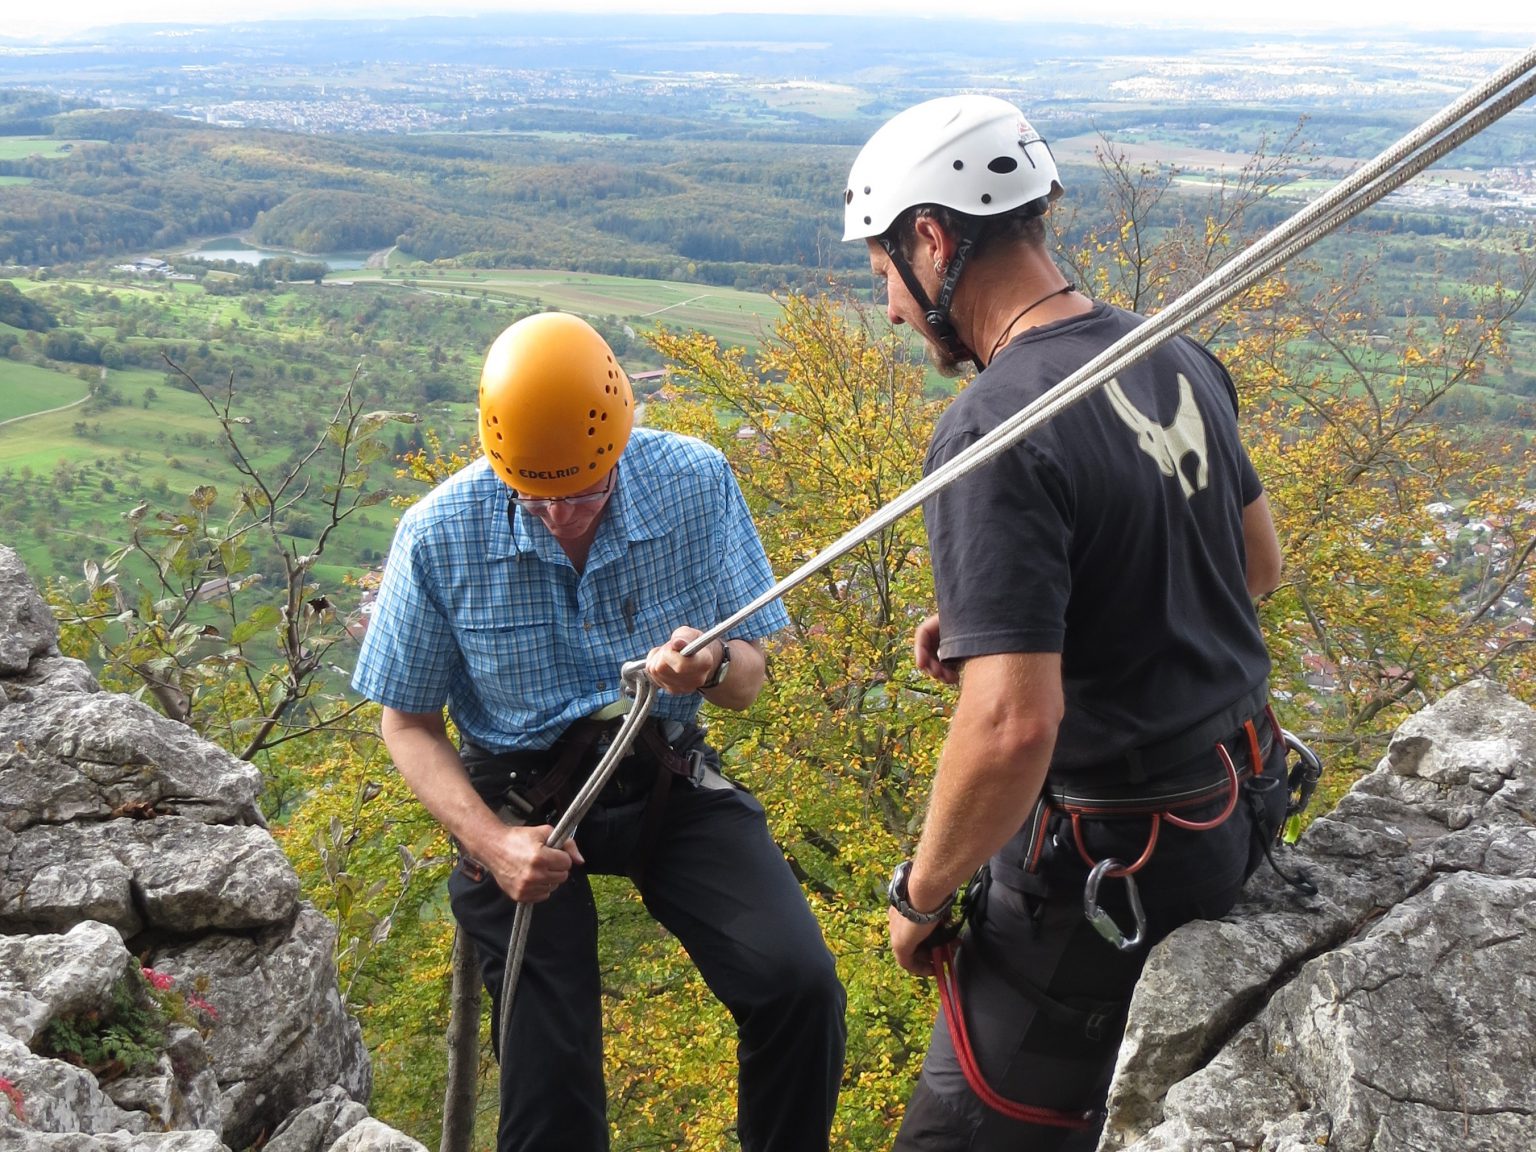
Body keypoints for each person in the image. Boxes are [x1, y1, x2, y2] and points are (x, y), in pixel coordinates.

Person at [842, 95, 1288, 1150]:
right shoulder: (1171, 350)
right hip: (1235, 805)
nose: (894, 311)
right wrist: (1015, 618)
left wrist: (921, 892)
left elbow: (1012, 729)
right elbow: (1254, 567)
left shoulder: (993, 426)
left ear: (931, 239)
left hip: (1107, 867)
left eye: (885, 279)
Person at [351, 311, 846, 1152]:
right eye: (533, 497)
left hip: (662, 769)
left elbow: (750, 681)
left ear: (620, 445)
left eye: (582, 493)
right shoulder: (440, 534)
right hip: (518, 796)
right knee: (552, 1071)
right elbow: (407, 724)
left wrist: (712, 665)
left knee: (797, 984)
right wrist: (493, 843)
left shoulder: (693, 480)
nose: (558, 517)